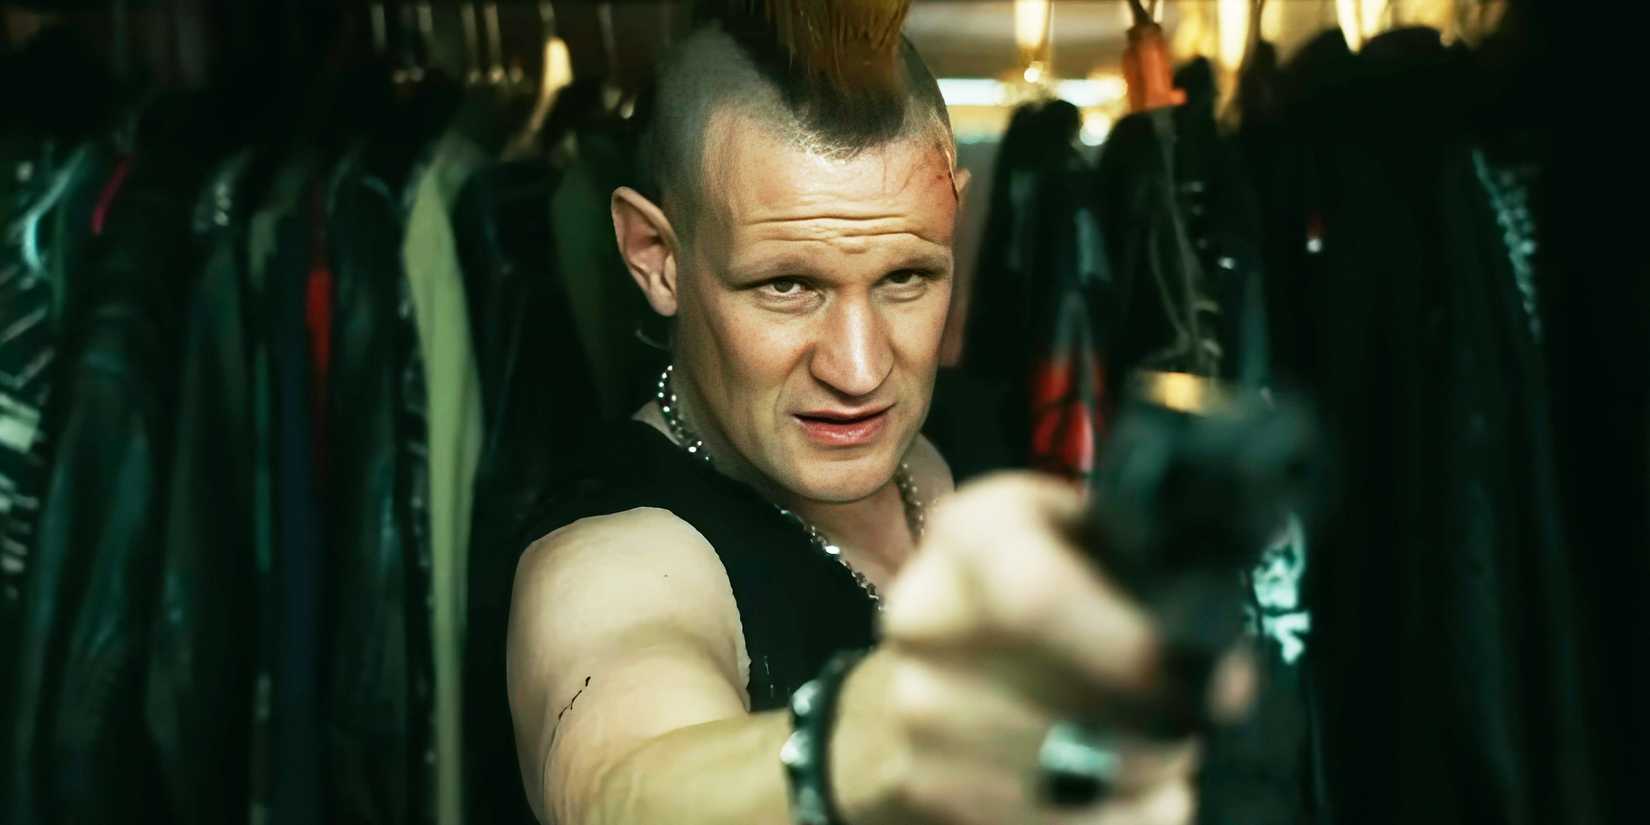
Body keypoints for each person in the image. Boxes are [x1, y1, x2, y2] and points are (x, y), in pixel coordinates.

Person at [505, 21, 1252, 825]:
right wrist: (869, 745)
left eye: (906, 276)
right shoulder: (609, 552)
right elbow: (613, 785)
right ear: (656, 254)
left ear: (953, 212)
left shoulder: (988, 431)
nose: (859, 370)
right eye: (787, 285)